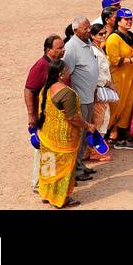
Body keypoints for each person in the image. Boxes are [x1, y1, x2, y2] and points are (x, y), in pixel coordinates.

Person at [36, 59, 92, 208]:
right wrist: (87, 125)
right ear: (61, 74)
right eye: (67, 70)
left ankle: (48, 195)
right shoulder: (66, 93)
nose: (69, 72)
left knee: (49, 166)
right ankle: (62, 198)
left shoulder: (46, 89)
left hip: (48, 136)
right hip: (63, 139)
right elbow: (72, 117)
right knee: (64, 169)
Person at [25, 35, 65, 191]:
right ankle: (39, 183)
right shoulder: (41, 66)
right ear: (49, 50)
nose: (63, 50)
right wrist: (31, 115)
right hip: (44, 116)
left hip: (55, 116)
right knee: (43, 149)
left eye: (63, 47)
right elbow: (29, 90)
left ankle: (51, 181)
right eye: (59, 48)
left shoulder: (56, 64)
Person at [62, 17, 99, 183]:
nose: (89, 30)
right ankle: (76, 169)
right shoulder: (71, 48)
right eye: (85, 28)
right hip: (80, 98)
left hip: (89, 96)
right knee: (79, 133)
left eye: (89, 27)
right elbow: (65, 75)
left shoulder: (87, 42)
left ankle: (80, 163)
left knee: (85, 134)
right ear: (75, 31)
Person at [105, 8, 133, 148]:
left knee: (127, 107)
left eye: (130, 19)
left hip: (130, 78)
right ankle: (108, 135)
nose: (129, 22)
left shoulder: (130, 36)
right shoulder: (113, 38)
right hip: (118, 78)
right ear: (118, 21)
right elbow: (114, 60)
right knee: (116, 107)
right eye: (125, 19)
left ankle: (121, 136)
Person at [88, 24, 118, 160]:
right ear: (92, 36)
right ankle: (95, 151)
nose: (103, 36)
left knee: (103, 116)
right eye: (100, 34)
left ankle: (93, 150)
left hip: (103, 88)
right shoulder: (93, 52)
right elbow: (95, 73)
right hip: (98, 89)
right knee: (100, 118)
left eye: (104, 33)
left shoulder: (98, 49)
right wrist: (108, 84)